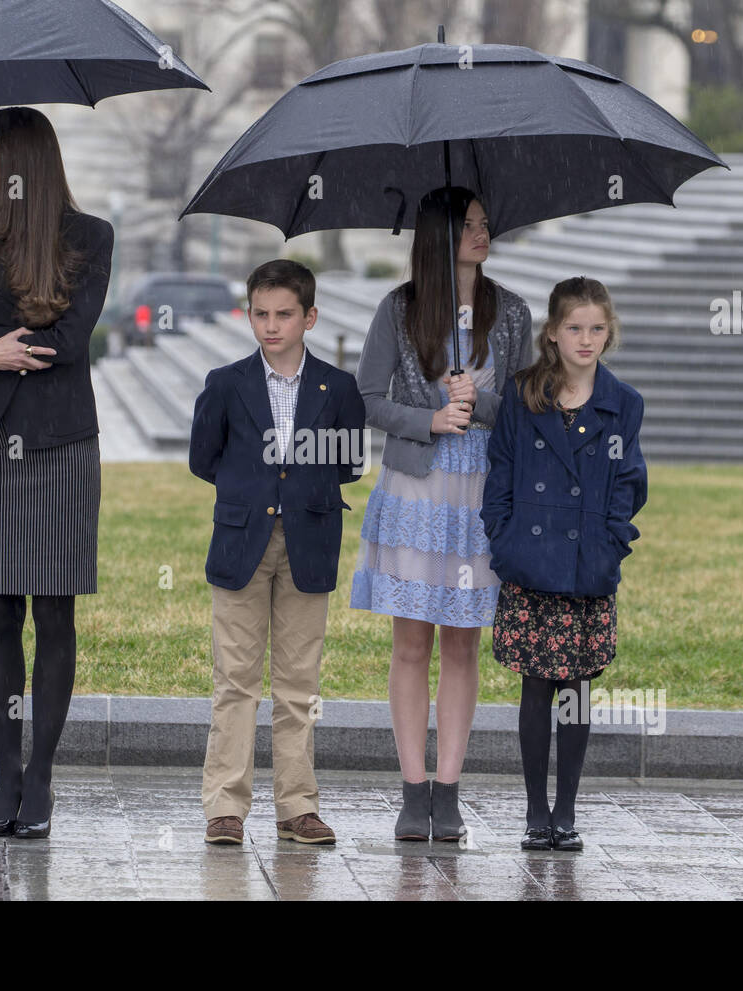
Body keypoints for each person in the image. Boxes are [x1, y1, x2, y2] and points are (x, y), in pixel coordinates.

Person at [0, 106, 114, 839]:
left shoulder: (89, 238)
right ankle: (6, 771)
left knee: (55, 612)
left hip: (61, 443)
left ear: (19, 163)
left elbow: (69, 344)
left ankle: (40, 775)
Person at [351, 187, 533, 841]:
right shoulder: (398, 310)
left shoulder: (509, 312)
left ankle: (449, 789)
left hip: (481, 492)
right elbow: (368, 396)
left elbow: (526, 402)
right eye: (472, 224)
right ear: (440, 234)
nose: (484, 234)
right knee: (410, 644)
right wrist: (430, 414)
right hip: (417, 490)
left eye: (487, 223)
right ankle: (412, 787)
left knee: (462, 642)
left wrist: (476, 402)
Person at [190, 259, 366, 846]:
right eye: (261, 314)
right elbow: (203, 458)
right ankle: (225, 808)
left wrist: (297, 494)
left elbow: (350, 463)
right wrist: (254, 492)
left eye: (284, 315)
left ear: (309, 317)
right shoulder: (226, 382)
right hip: (241, 540)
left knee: (300, 682)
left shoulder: (338, 389)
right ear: (249, 316)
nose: (271, 325)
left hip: (309, 543)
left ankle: (297, 806)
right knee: (235, 679)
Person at [481, 276, 647, 852]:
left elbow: (629, 481)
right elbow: (498, 478)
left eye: (597, 328)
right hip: (530, 564)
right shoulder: (522, 397)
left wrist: (611, 540)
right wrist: (505, 543)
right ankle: (534, 809)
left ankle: (567, 811)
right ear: (552, 333)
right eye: (574, 327)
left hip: (586, 567)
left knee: (575, 688)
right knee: (535, 687)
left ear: (610, 333)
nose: (586, 338)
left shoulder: (622, 405)